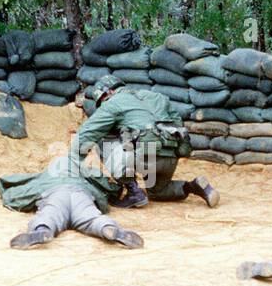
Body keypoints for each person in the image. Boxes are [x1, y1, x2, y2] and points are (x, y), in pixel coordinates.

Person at [73, 75, 219, 209]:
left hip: (145, 155)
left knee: (101, 139)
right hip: (169, 156)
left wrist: (72, 161)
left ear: (110, 91)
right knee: (158, 191)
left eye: (103, 98)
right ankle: (193, 186)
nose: (103, 102)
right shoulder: (157, 97)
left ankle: (133, 191)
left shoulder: (113, 103)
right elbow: (177, 123)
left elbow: (87, 133)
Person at [0, 154, 144, 250]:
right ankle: (108, 228)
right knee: (92, 218)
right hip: (81, 194)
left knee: (49, 215)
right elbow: (103, 182)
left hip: (56, 194)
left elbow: (19, 195)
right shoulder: (83, 173)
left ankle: (42, 230)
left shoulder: (46, 176)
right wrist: (114, 190)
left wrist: (8, 195)